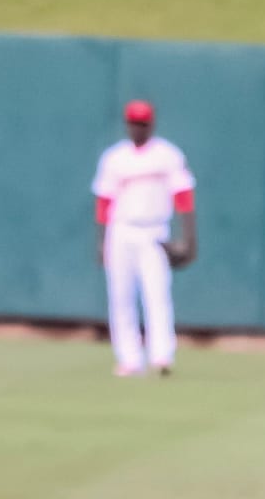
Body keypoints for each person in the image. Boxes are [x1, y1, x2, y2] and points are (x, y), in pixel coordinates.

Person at [91, 99, 196, 377]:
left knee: (157, 293)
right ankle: (130, 358)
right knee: (120, 297)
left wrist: (189, 239)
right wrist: (102, 242)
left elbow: (184, 196)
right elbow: (104, 202)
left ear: (151, 124)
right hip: (121, 231)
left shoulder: (167, 155)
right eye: (134, 123)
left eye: (143, 123)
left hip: (154, 231)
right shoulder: (115, 158)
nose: (138, 128)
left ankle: (161, 356)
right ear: (128, 124)